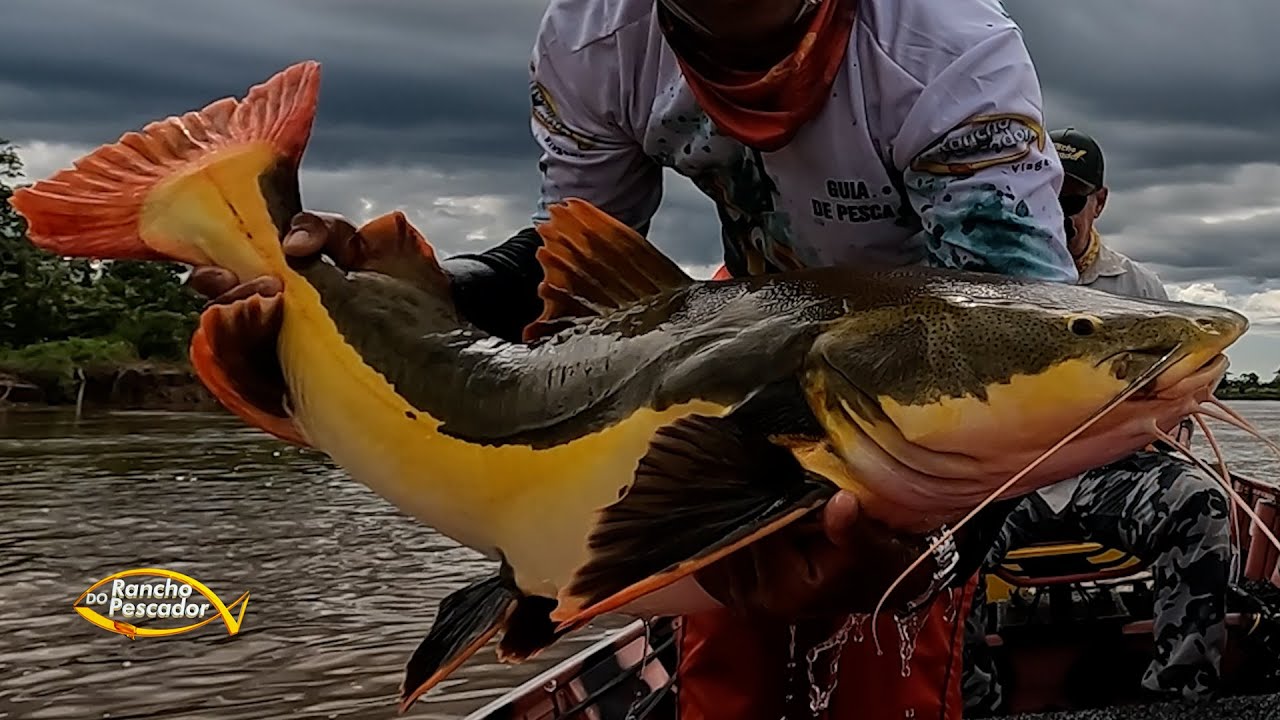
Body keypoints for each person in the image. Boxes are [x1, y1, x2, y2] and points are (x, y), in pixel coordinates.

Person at [189, 0, 1079, 718]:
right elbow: (577, 263)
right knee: (725, 659)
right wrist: (416, 297)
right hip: (732, 332)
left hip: (915, 344)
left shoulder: (951, 52)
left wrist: (939, 542)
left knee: (890, 652)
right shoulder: (590, 35)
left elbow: (1018, 327)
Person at [961, 127, 1233, 714]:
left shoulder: (1139, 290)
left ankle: (1180, 697)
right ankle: (969, 700)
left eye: (1071, 200)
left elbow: (1177, 406)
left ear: (1099, 202)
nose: (1058, 215)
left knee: (1202, 502)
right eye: (1045, 197)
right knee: (942, 543)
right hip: (1014, 483)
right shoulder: (991, 282)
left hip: (1107, 478)